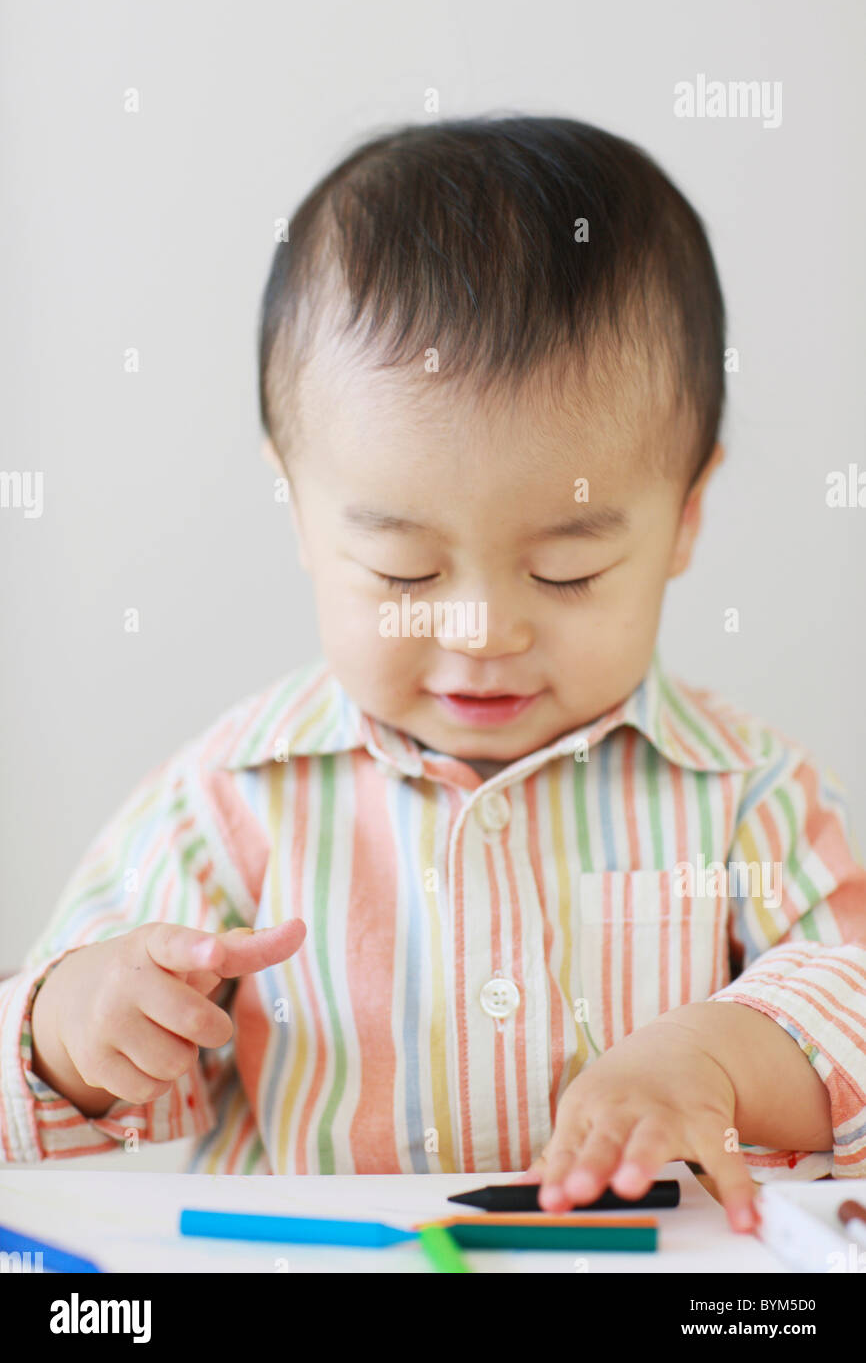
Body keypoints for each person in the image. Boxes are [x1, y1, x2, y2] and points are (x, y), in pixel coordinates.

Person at [3, 116, 864, 1236]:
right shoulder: (230, 799)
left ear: (686, 516)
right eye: (404, 570)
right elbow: (37, 1093)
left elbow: (851, 995)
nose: (482, 630)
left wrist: (718, 1057)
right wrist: (77, 1027)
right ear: (300, 510)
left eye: (566, 573)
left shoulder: (746, 793)